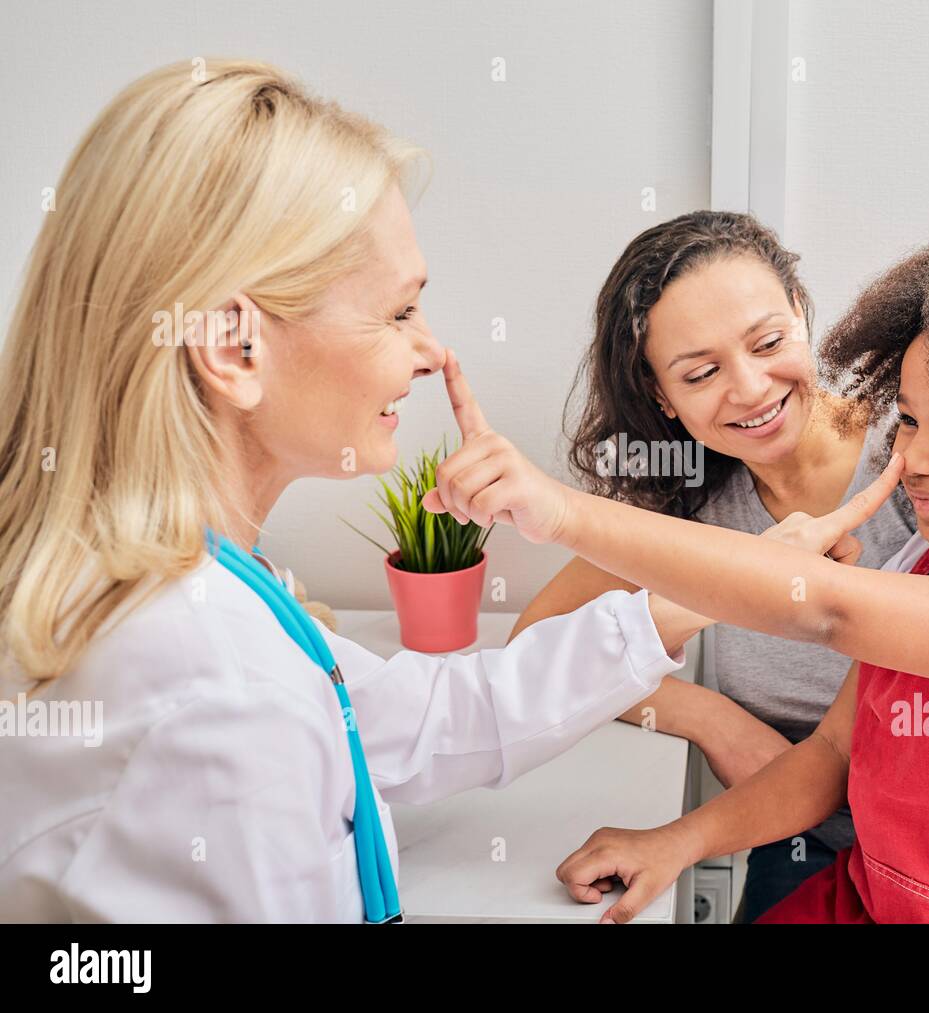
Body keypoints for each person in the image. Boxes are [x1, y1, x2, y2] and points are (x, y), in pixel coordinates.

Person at [0, 59, 710, 922]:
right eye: (401, 312)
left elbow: (403, 726)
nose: (429, 353)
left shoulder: (175, 586)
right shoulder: (221, 693)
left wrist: (690, 600)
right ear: (233, 346)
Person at [422, 234, 929, 923]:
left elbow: (835, 614)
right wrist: (681, 822)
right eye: (699, 371)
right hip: (847, 870)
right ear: (661, 396)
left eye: (768, 340)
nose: (917, 453)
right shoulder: (926, 548)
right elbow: (829, 753)